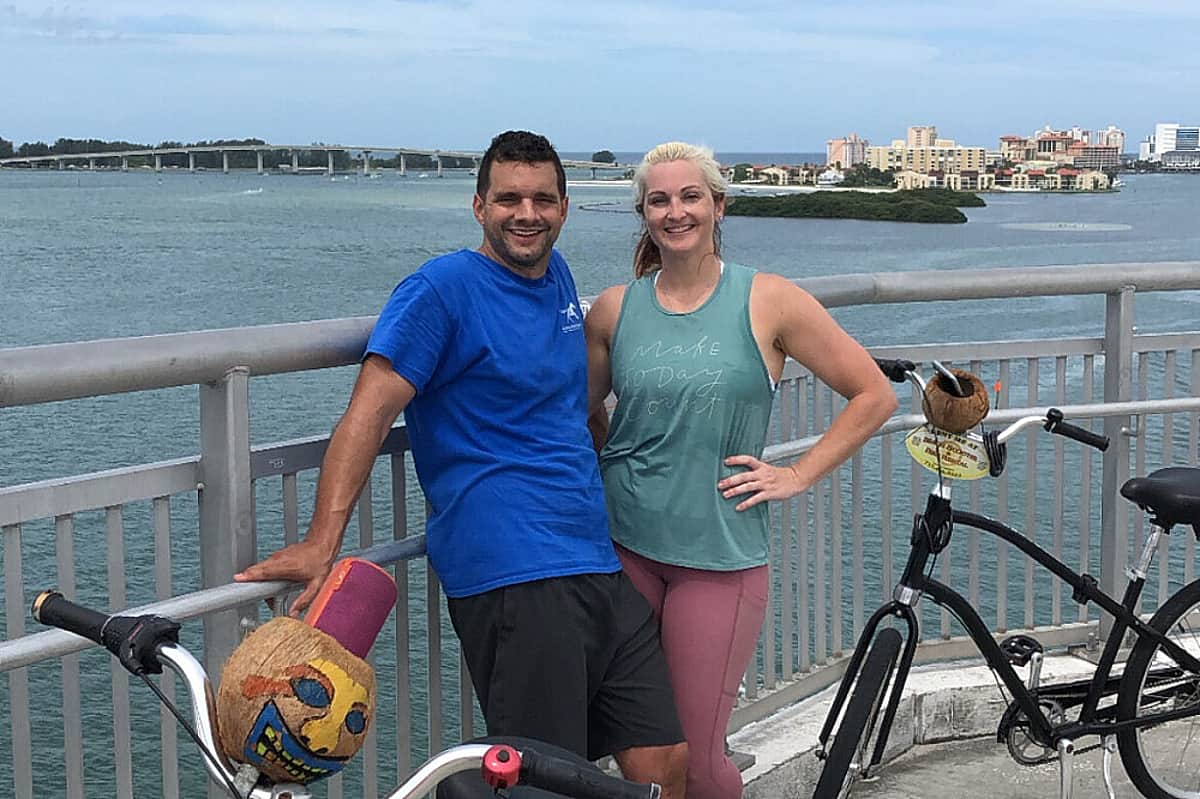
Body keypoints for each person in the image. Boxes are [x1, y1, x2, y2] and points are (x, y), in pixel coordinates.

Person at [235, 130, 688, 796]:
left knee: (663, 758)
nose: (525, 214)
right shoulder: (441, 290)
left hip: (592, 555)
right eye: (508, 199)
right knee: (548, 779)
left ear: (564, 207)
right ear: (479, 206)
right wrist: (320, 540)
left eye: (541, 199)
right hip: (514, 570)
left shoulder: (557, 278)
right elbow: (367, 411)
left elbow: (571, 403)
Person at [585, 141, 897, 799]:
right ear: (643, 214)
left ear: (718, 204)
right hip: (623, 551)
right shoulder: (615, 309)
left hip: (718, 560)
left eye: (690, 196)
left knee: (699, 760)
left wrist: (798, 474)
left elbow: (874, 395)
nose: (676, 212)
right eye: (660, 200)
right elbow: (581, 412)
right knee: (639, 754)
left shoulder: (770, 299)